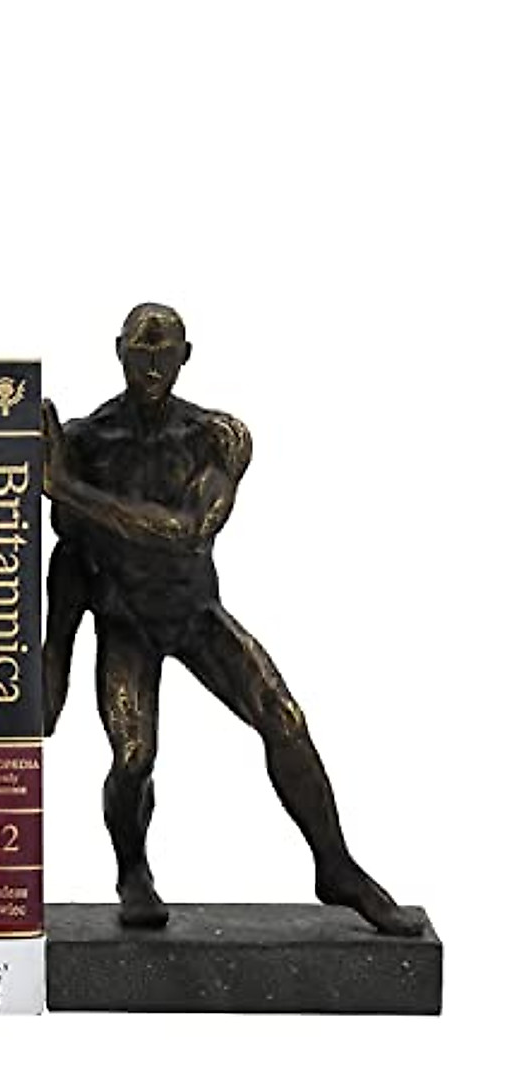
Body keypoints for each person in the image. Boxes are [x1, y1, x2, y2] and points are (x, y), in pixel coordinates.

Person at [42, 302, 421, 936]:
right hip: (125, 620)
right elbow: (69, 561)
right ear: (118, 351)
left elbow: (189, 531)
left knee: (283, 718)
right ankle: (133, 871)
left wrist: (67, 489)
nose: (153, 366)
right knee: (133, 758)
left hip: (194, 613)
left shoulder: (216, 436)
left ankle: (337, 867)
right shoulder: (85, 443)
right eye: (141, 352)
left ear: (186, 356)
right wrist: (49, 669)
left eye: (166, 353)